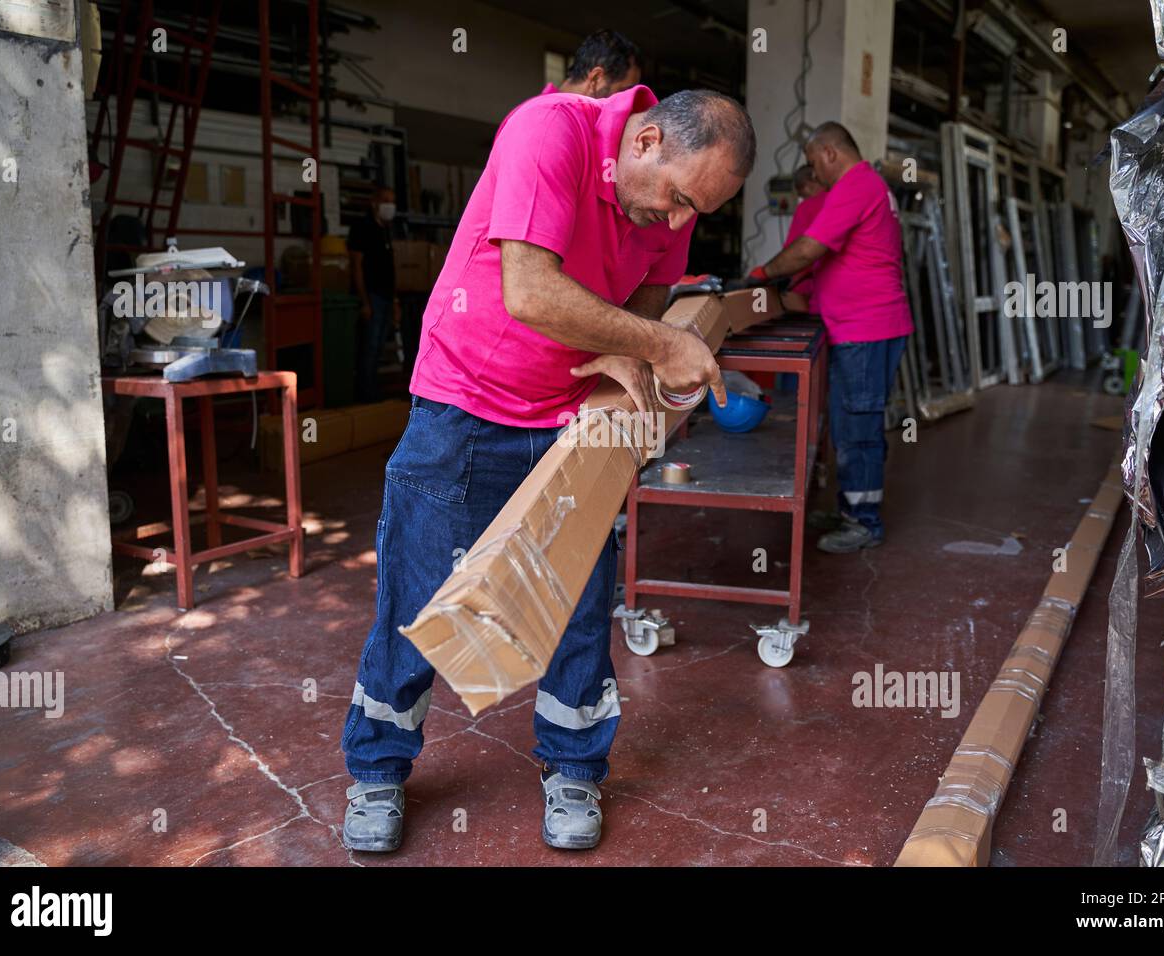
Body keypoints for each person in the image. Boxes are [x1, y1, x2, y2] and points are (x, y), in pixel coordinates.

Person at [340, 86, 756, 853]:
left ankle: (573, 768)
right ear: (645, 141)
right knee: (416, 595)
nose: (676, 223)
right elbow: (527, 292)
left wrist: (626, 346)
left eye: (695, 211)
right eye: (675, 198)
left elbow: (650, 297)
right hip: (464, 403)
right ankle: (375, 771)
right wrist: (661, 347)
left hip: (569, 413)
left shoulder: (670, 204)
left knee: (578, 599)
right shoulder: (547, 132)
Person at [748, 122, 912, 553]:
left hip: (866, 327)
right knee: (847, 423)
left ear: (829, 153)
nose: (812, 171)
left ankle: (863, 521)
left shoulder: (857, 185)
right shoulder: (866, 185)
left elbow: (808, 249)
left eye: (812, 160)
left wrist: (761, 274)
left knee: (857, 426)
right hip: (856, 326)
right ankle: (849, 509)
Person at [347, 186, 396, 403]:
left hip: (385, 296)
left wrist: (395, 300)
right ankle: (365, 395)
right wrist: (365, 302)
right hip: (372, 296)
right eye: (386, 200)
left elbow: (390, 268)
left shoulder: (385, 229)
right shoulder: (362, 227)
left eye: (392, 201)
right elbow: (356, 266)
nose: (390, 206)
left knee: (378, 347)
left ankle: (373, 390)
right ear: (374, 202)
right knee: (369, 346)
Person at [542, 29, 641, 97]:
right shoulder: (552, 119)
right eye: (623, 92)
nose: (629, 103)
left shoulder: (575, 115)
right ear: (596, 78)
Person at [784, 165, 826, 310]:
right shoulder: (843, 200)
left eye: (802, 194)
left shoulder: (807, 207)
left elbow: (794, 256)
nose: (803, 198)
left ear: (809, 184)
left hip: (816, 296)